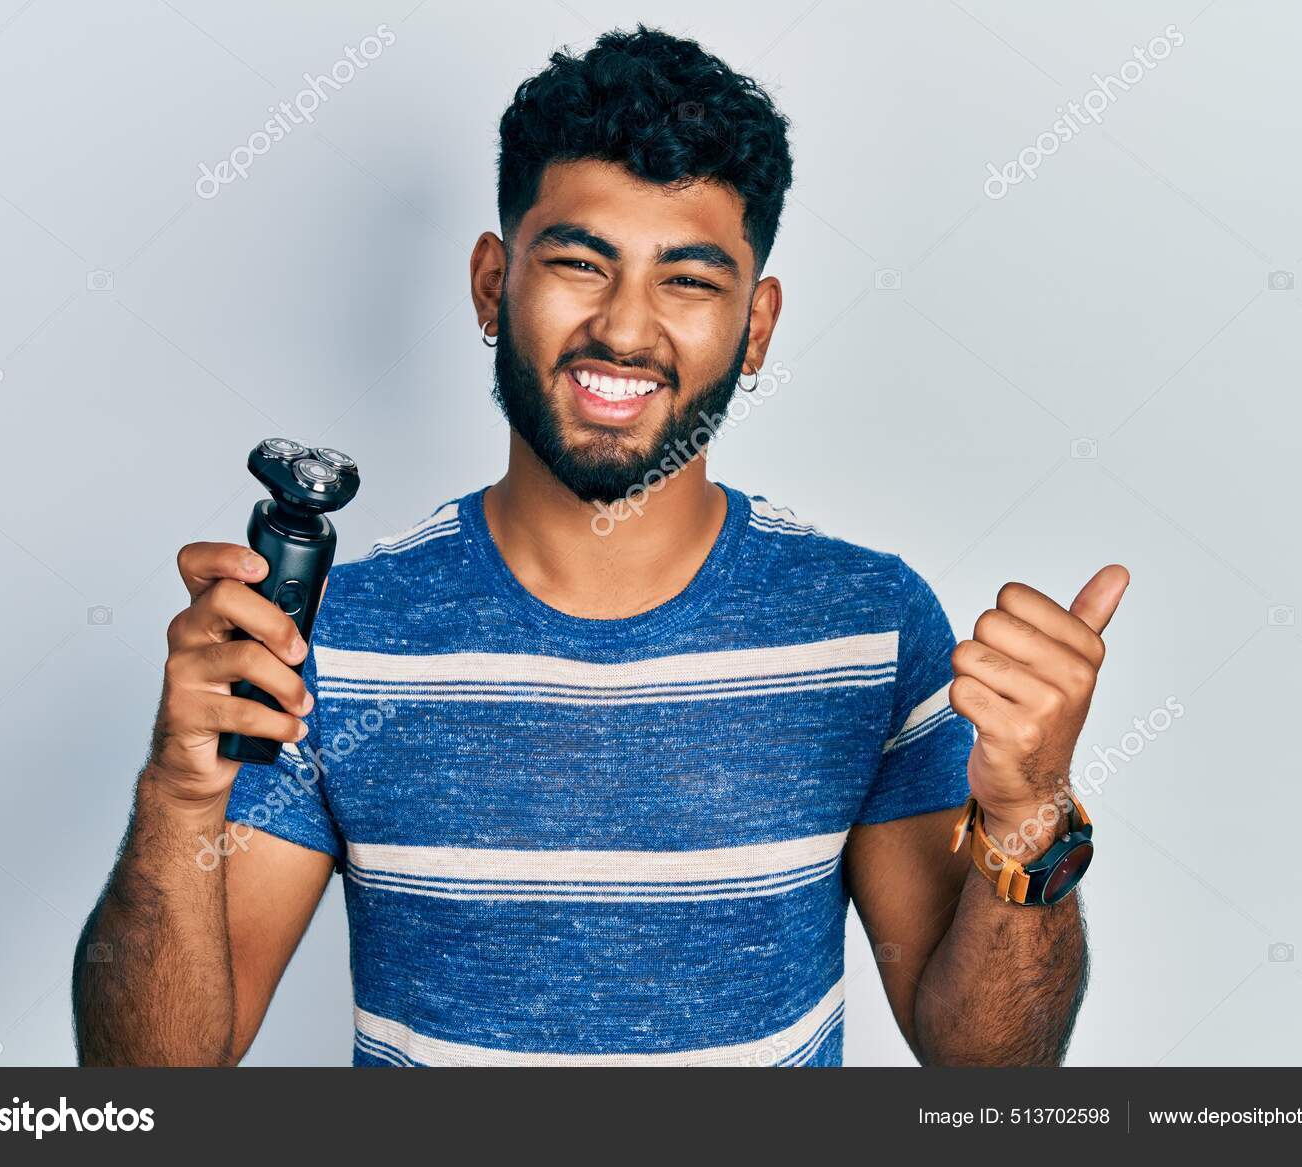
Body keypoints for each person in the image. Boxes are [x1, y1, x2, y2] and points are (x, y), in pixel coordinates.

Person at [74, 24, 1128, 1067]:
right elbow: (158, 1084)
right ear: (493, 284)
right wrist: (178, 796)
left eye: (688, 281)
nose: (624, 330)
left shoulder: (868, 623)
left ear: (756, 327)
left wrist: (1032, 813)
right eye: (580, 263)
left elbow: (988, 1065)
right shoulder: (329, 638)